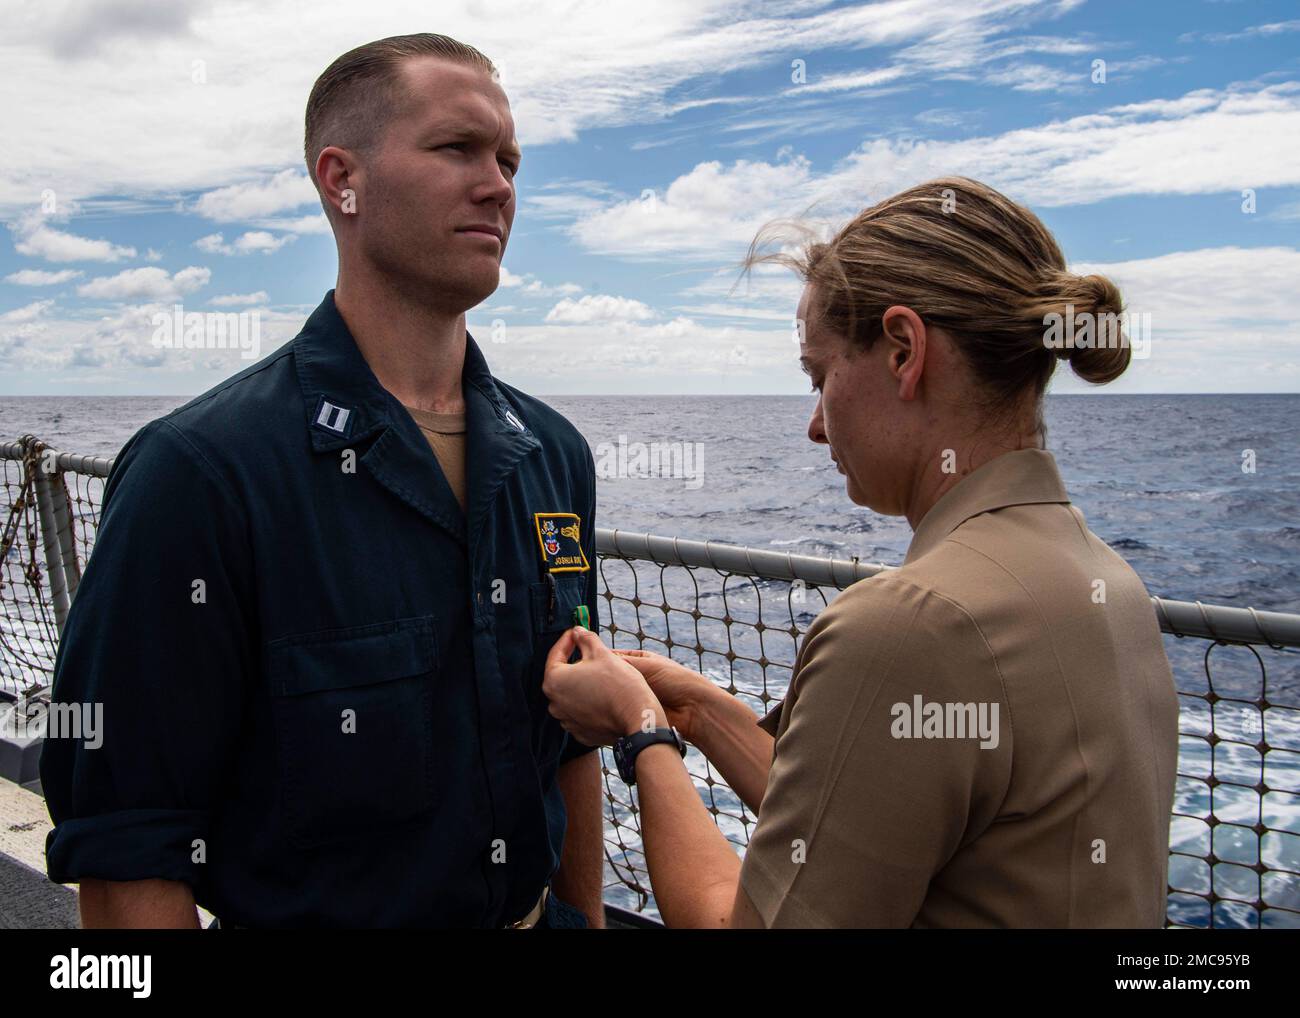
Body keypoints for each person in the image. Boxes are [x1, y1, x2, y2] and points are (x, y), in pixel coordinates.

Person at [41, 33, 604, 929]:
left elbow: (571, 739)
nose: (499, 185)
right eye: (457, 148)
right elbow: (127, 845)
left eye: (508, 160)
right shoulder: (200, 475)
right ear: (342, 179)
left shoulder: (553, 456)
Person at [544, 177, 1180, 928]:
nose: (816, 424)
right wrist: (699, 710)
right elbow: (863, 821)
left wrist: (643, 733)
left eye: (821, 376)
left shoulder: (912, 626)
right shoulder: (1109, 583)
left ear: (904, 352)